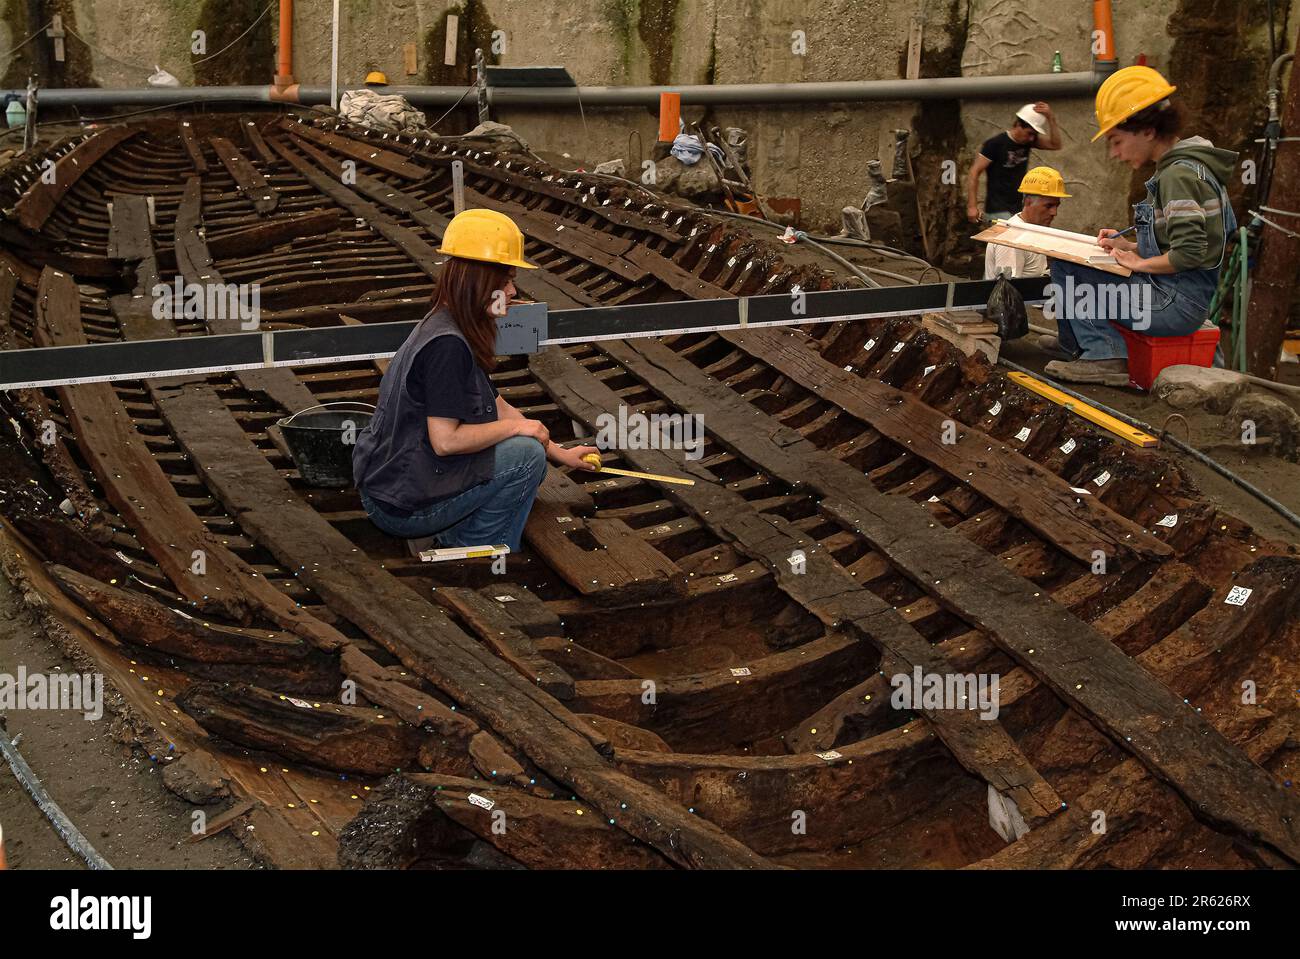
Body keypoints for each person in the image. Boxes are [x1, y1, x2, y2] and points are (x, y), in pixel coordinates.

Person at [353, 209, 598, 554]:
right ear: (478, 284)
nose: (513, 291)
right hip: (401, 507)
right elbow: (446, 442)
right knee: (526, 458)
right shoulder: (448, 346)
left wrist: (562, 453)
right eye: (505, 282)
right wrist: (521, 432)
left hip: (398, 484)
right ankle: (468, 549)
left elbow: (498, 406)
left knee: (535, 462)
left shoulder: (448, 323)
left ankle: (460, 526)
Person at [1037, 66, 1238, 385]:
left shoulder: (1179, 177)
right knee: (1072, 264)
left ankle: (1104, 354)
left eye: (1116, 141)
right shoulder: (1185, 168)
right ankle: (1076, 343)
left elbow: (1190, 254)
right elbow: (1175, 242)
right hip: (1174, 295)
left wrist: (1140, 262)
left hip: (1174, 304)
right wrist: (1128, 246)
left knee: (1069, 270)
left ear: (1147, 131)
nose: (1115, 153)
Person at [967, 103, 1062, 224]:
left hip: (1018, 206)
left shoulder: (1028, 142)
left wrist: (1051, 119)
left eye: (1034, 134)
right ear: (1018, 125)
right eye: (1029, 133)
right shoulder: (995, 144)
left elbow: (1055, 144)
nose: (1032, 138)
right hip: (998, 208)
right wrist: (972, 206)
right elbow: (974, 172)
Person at [984, 165, 1070, 279]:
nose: (1054, 212)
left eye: (1056, 206)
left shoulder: (1034, 230)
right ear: (1028, 202)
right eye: (1048, 206)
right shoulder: (1013, 239)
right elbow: (1008, 291)